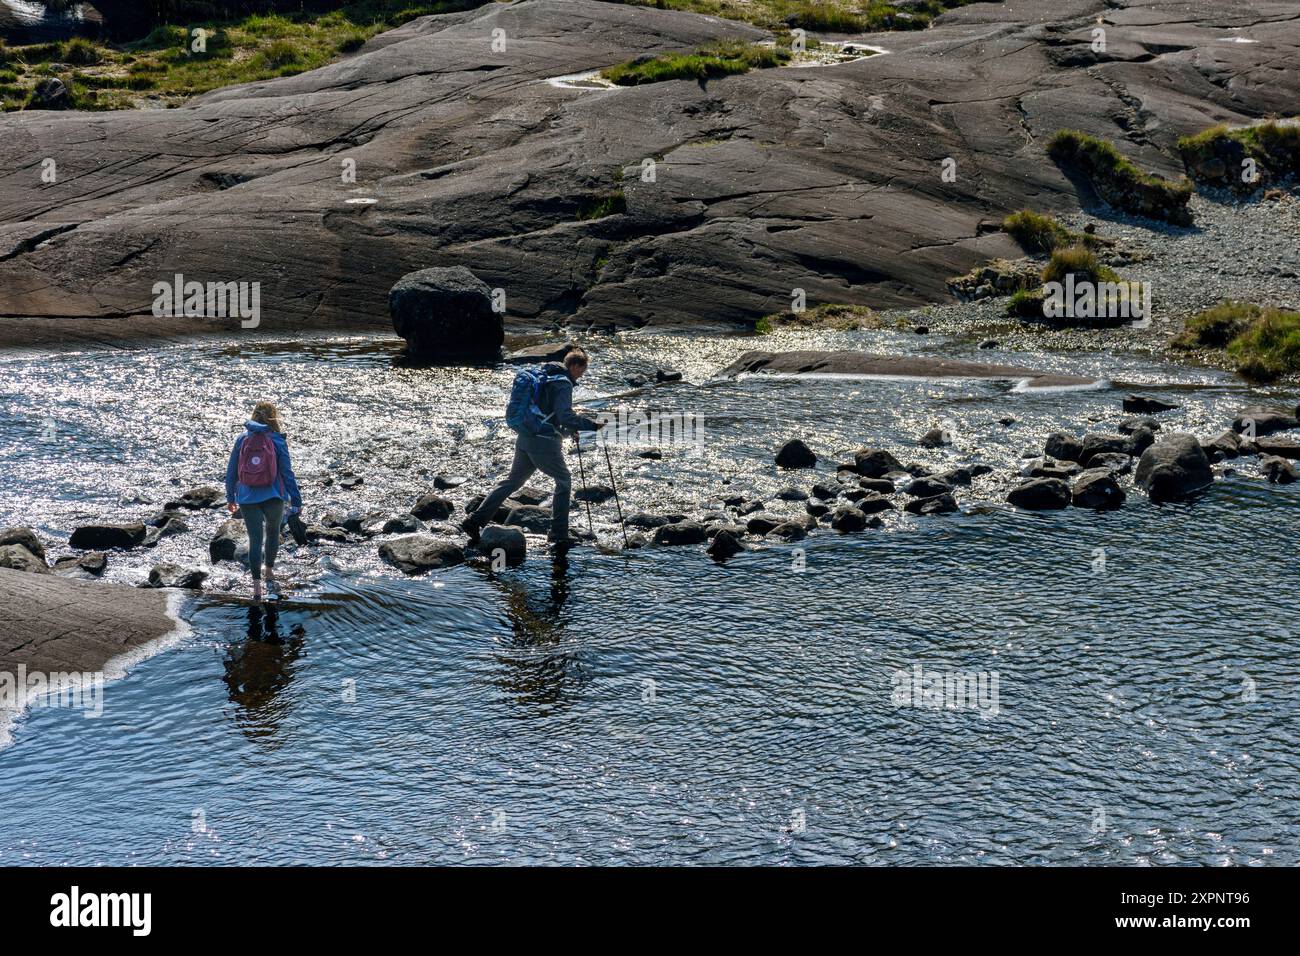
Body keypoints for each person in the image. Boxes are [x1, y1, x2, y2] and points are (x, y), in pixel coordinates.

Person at [462, 348, 604, 549]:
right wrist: (590, 424)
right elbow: (563, 415)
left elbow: (547, 415)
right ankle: (559, 533)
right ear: (574, 366)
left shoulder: (546, 377)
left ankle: (474, 521)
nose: (582, 375)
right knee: (564, 480)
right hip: (543, 443)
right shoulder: (563, 384)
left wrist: (569, 430)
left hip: (525, 437)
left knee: (512, 482)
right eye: (582, 370)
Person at [225, 402, 302, 600]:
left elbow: (231, 471)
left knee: (255, 539)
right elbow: (287, 473)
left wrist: (230, 497)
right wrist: (296, 499)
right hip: (274, 496)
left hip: (247, 497)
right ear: (273, 417)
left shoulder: (242, 439)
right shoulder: (277, 440)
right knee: (273, 533)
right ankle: (269, 572)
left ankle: (256, 586)